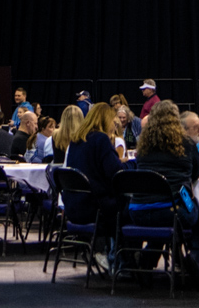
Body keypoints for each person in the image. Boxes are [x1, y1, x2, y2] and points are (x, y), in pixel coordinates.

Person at [132, 101, 199, 274]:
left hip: (138, 211)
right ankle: (193, 256)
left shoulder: (143, 146)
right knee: (197, 213)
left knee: (163, 217)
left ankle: (148, 259)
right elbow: (195, 173)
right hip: (173, 211)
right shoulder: (186, 143)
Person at [65, 102, 126, 271]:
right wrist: (132, 165)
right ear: (105, 120)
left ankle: (115, 256)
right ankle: (123, 261)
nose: (115, 127)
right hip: (95, 209)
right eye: (113, 122)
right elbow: (116, 173)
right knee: (130, 209)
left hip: (73, 207)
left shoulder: (76, 140)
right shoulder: (100, 139)